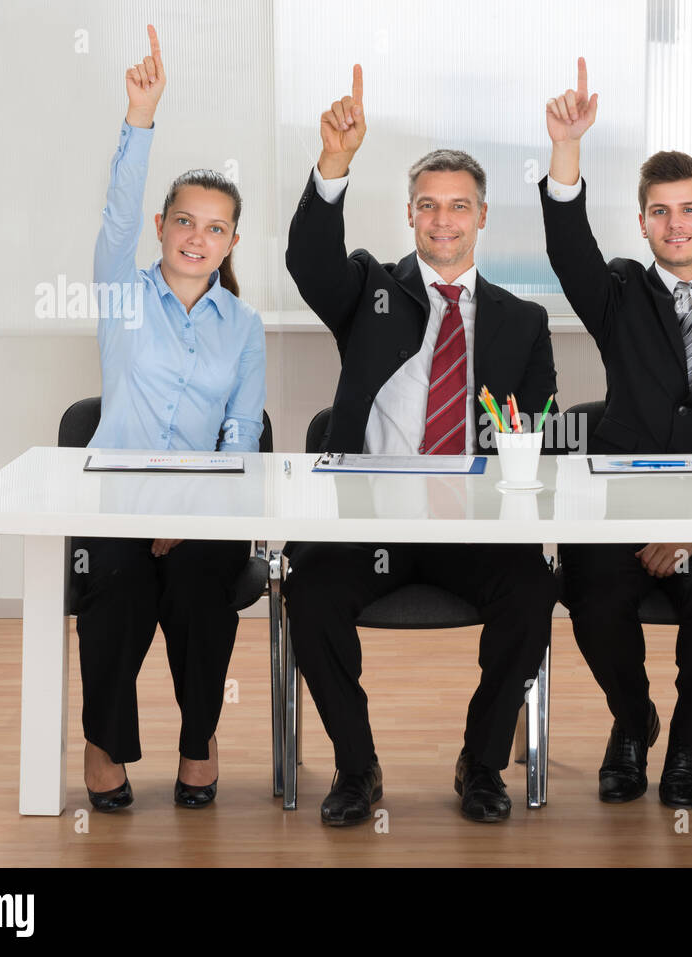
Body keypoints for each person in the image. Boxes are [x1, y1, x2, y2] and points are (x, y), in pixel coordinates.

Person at [282, 65, 559, 825]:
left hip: (472, 524)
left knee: (532, 590)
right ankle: (357, 764)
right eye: (429, 206)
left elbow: (538, 426)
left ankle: (481, 759)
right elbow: (307, 261)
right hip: (368, 521)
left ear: (482, 217)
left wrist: (521, 438)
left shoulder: (520, 322)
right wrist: (334, 163)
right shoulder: (369, 290)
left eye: (459, 206)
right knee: (309, 592)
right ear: (409, 214)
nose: (444, 220)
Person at [538, 59, 692, 809]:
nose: (674, 224)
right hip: (619, 510)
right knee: (589, 590)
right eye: (659, 211)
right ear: (643, 222)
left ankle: (687, 734)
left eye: (689, 210)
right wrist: (566, 147)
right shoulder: (617, 295)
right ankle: (630, 717)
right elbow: (564, 245)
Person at [76, 25, 266, 812]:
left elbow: (242, 435)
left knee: (195, 585)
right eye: (184, 221)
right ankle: (105, 739)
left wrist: (189, 511)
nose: (198, 237)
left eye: (215, 227)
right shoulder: (123, 295)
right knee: (117, 584)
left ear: (230, 242)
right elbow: (116, 216)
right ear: (162, 229)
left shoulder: (244, 326)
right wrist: (141, 117)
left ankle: (199, 739)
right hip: (115, 502)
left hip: (204, 511)